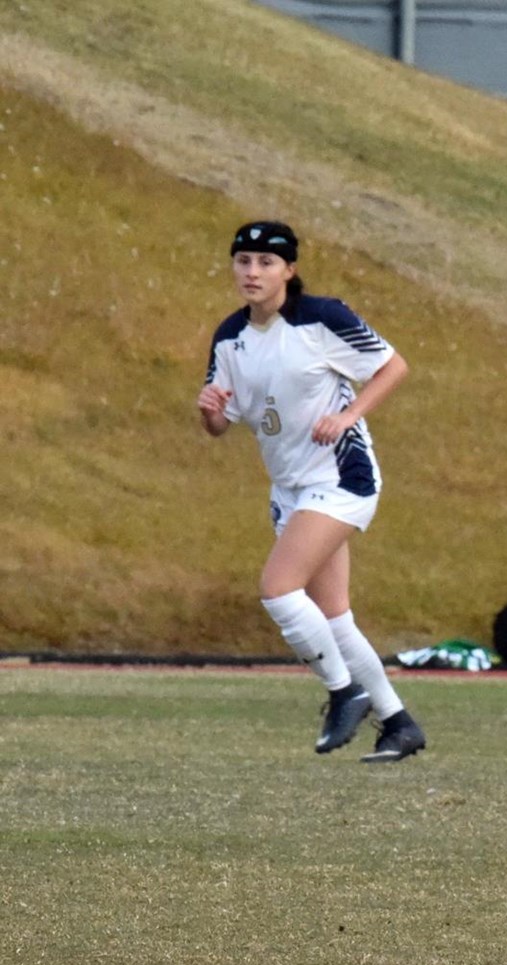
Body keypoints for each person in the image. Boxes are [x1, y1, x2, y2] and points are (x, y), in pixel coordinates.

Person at [197, 221, 427, 763]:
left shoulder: (321, 318)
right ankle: (399, 724)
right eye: (243, 260)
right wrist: (209, 412)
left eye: (266, 262)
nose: (253, 272)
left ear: (289, 270)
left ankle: (344, 692)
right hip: (290, 488)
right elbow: (222, 422)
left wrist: (347, 416)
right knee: (334, 617)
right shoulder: (230, 336)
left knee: (279, 589)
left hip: (341, 478)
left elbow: (392, 367)